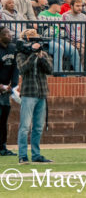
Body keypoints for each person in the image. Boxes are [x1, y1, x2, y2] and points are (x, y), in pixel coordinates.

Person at [15, 28, 52, 164]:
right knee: (25, 126)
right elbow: (23, 69)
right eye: (32, 37)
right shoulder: (21, 54)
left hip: (42, 93)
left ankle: (36, 154)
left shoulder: (43, 53)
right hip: (28, 93)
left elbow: (49, 70)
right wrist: (32, 54)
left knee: (38, 126)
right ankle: (23, 155)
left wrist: (41, 57)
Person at [0, 28, 15, 156]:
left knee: (4, 120)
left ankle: (3, 147)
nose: (10, 36)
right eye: (6, 34)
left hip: (6, 90)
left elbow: (15, 68)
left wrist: (13, 85)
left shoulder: (12, 48)